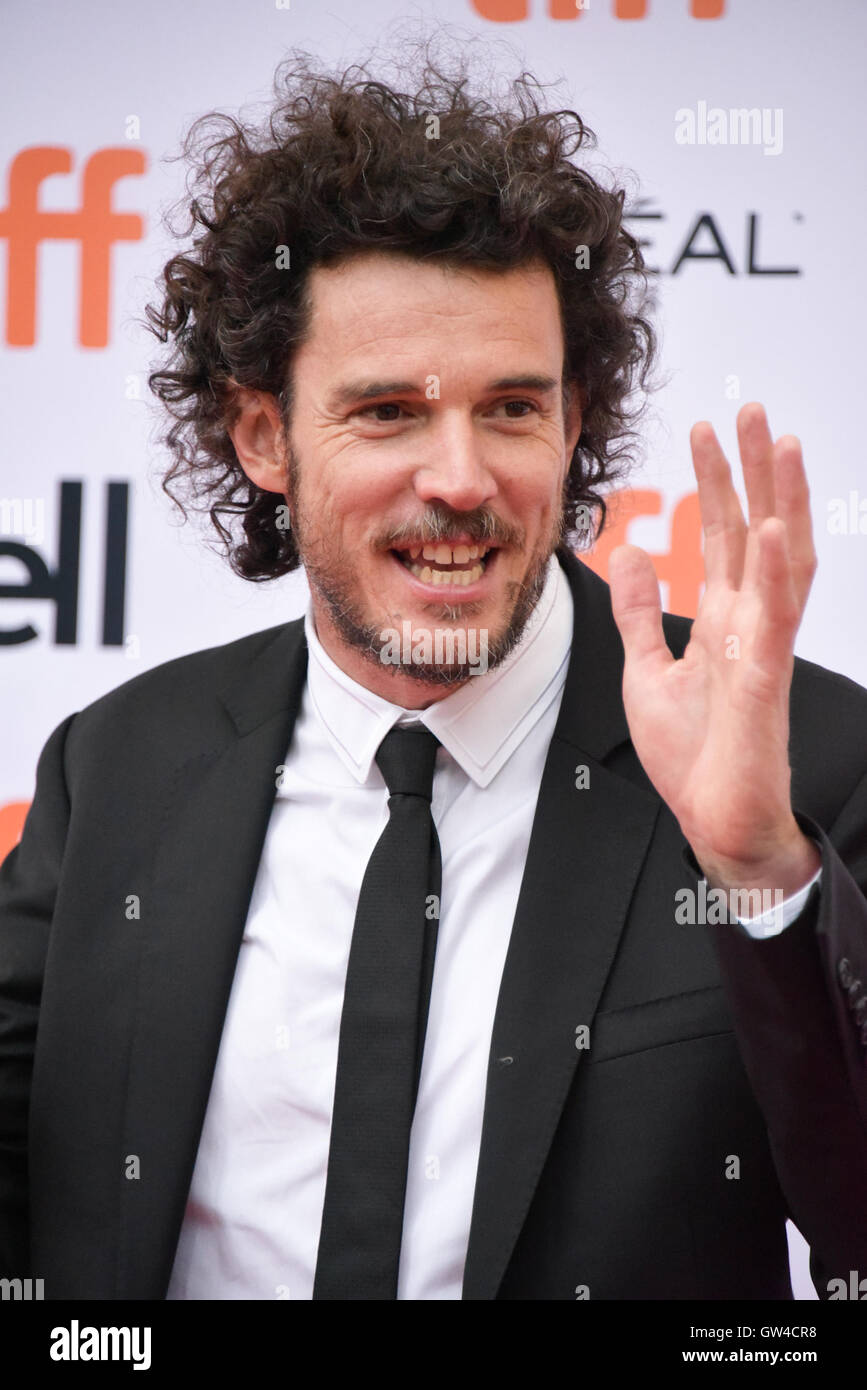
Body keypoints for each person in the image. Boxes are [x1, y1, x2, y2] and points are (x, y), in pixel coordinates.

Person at [1, 48, 866, 1302]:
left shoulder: (802, 760)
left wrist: (755, 873)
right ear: (264, 437)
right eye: (389, 413)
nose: (461, 477)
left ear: (575, 425)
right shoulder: (120, 766)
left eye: (513, 407)